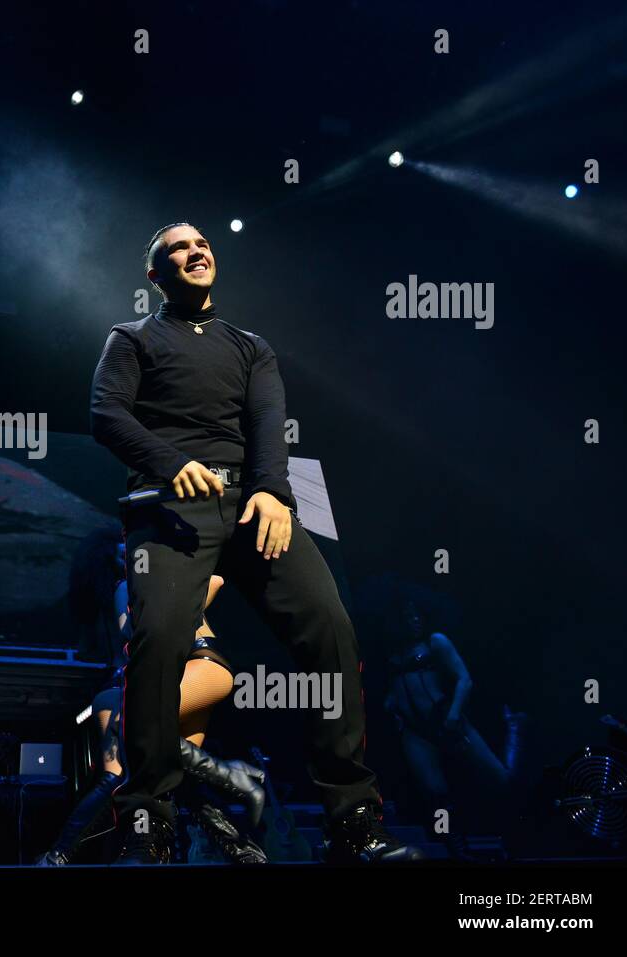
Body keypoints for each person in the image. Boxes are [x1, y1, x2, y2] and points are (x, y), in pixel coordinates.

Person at [90, 222, 420, 864]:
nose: (196, 250)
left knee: (330, 626)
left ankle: (353, 821)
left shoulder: (250, 347)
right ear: (155, 274)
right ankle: (148, 819)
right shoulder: (130, 338)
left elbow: (269, 425)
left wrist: (274, 493)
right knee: (157, 639)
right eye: (178, 248)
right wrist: (167, 462)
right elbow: (106, 414)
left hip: (255, 504)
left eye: (202, 243)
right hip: (170, 508)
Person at [41, 572, 267, 864]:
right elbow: (133, 634)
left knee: (137, 751)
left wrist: (175, 604)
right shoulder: (127, 582)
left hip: (195, 666)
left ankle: (232, 779)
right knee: (162, 774)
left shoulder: (154, 571)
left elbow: (215, 582)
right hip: (157, 676)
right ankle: (243, 847)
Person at [382, 590, 525, 855]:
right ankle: (457, 850)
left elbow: (464, 679)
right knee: (436, 793)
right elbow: (395, 688)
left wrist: (454, 714)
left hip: (446, 719)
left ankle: (515, 729)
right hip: (416, 731)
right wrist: (392, 706)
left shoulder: (436, 641)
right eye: (407, 617)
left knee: (500, 779)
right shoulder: (393, 651)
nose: (414, 621)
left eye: (416, 615)